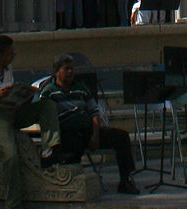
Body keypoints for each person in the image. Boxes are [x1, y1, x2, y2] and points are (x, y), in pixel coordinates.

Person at [0, 34, 63, 209]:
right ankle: (13, 208)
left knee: (47, 105)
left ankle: (49, 149)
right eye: (10, 53)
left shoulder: (8, 68)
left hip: (12, 109)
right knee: (10, 157)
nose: (13, 56)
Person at [38, 54, 139, 194]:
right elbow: (45, 117)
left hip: (87, 130)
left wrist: (95, 135)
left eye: (72, 69)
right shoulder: (49, 92)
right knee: (71, 150)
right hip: (66, 133)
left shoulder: (81, 88)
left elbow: (94, 113)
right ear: (57, 72)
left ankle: (125, 180)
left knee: (121, 137)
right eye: (66, 69)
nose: (70, 72)